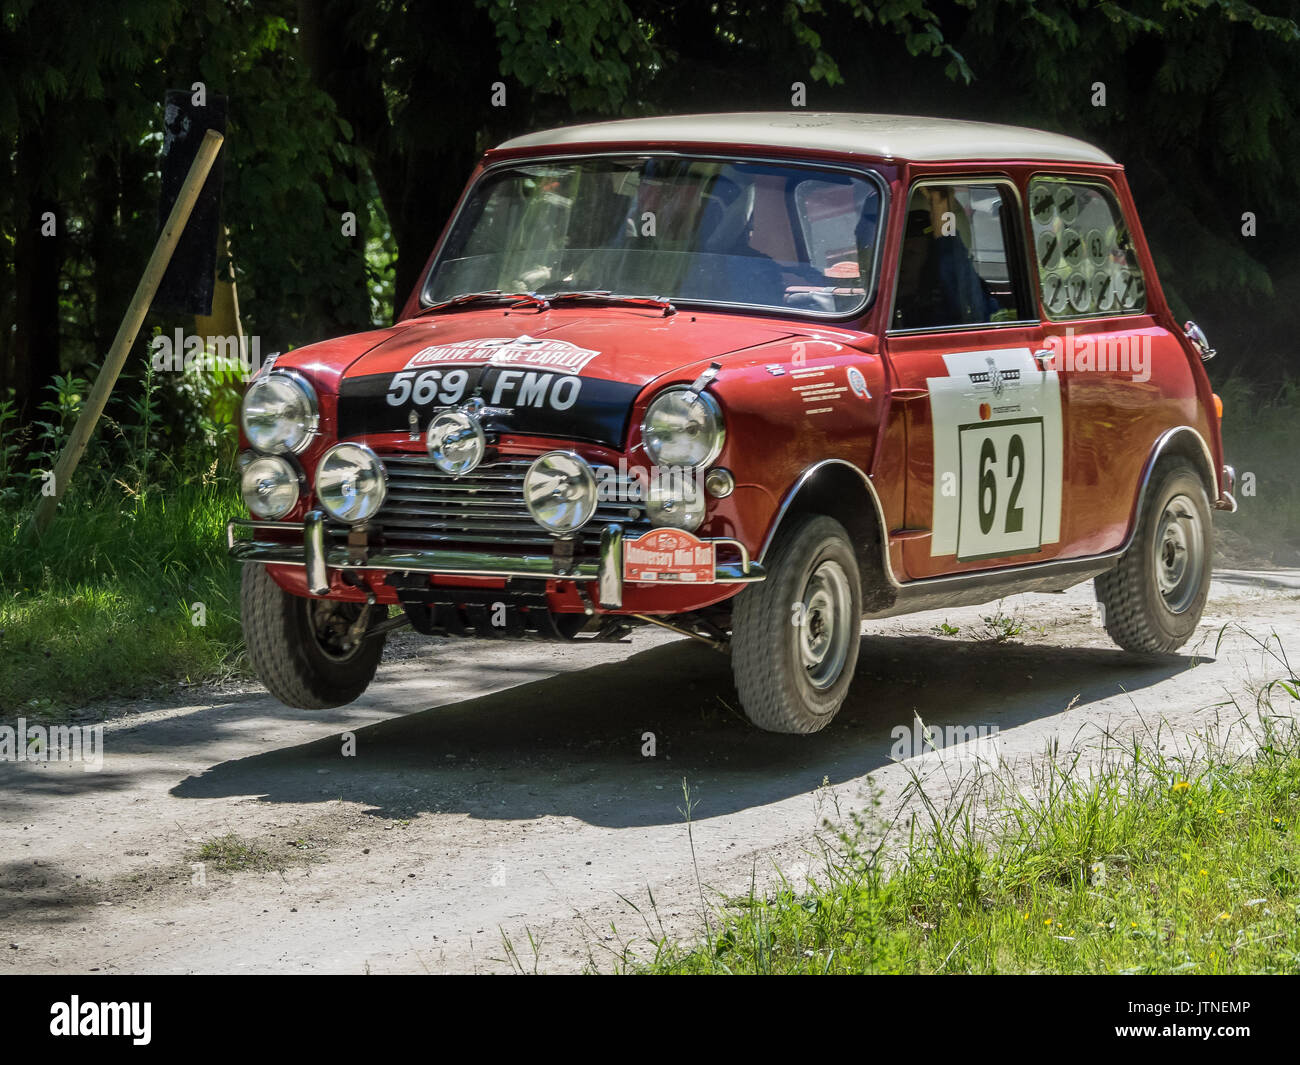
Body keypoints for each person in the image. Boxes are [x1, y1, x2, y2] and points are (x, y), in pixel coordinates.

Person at [893, 186, 999, 329]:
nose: (902, 264)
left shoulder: (954, 298)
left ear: (929, 259)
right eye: (899, 255)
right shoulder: (872, 304)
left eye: (911, 254)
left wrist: (940, 206)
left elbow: (975, 314)